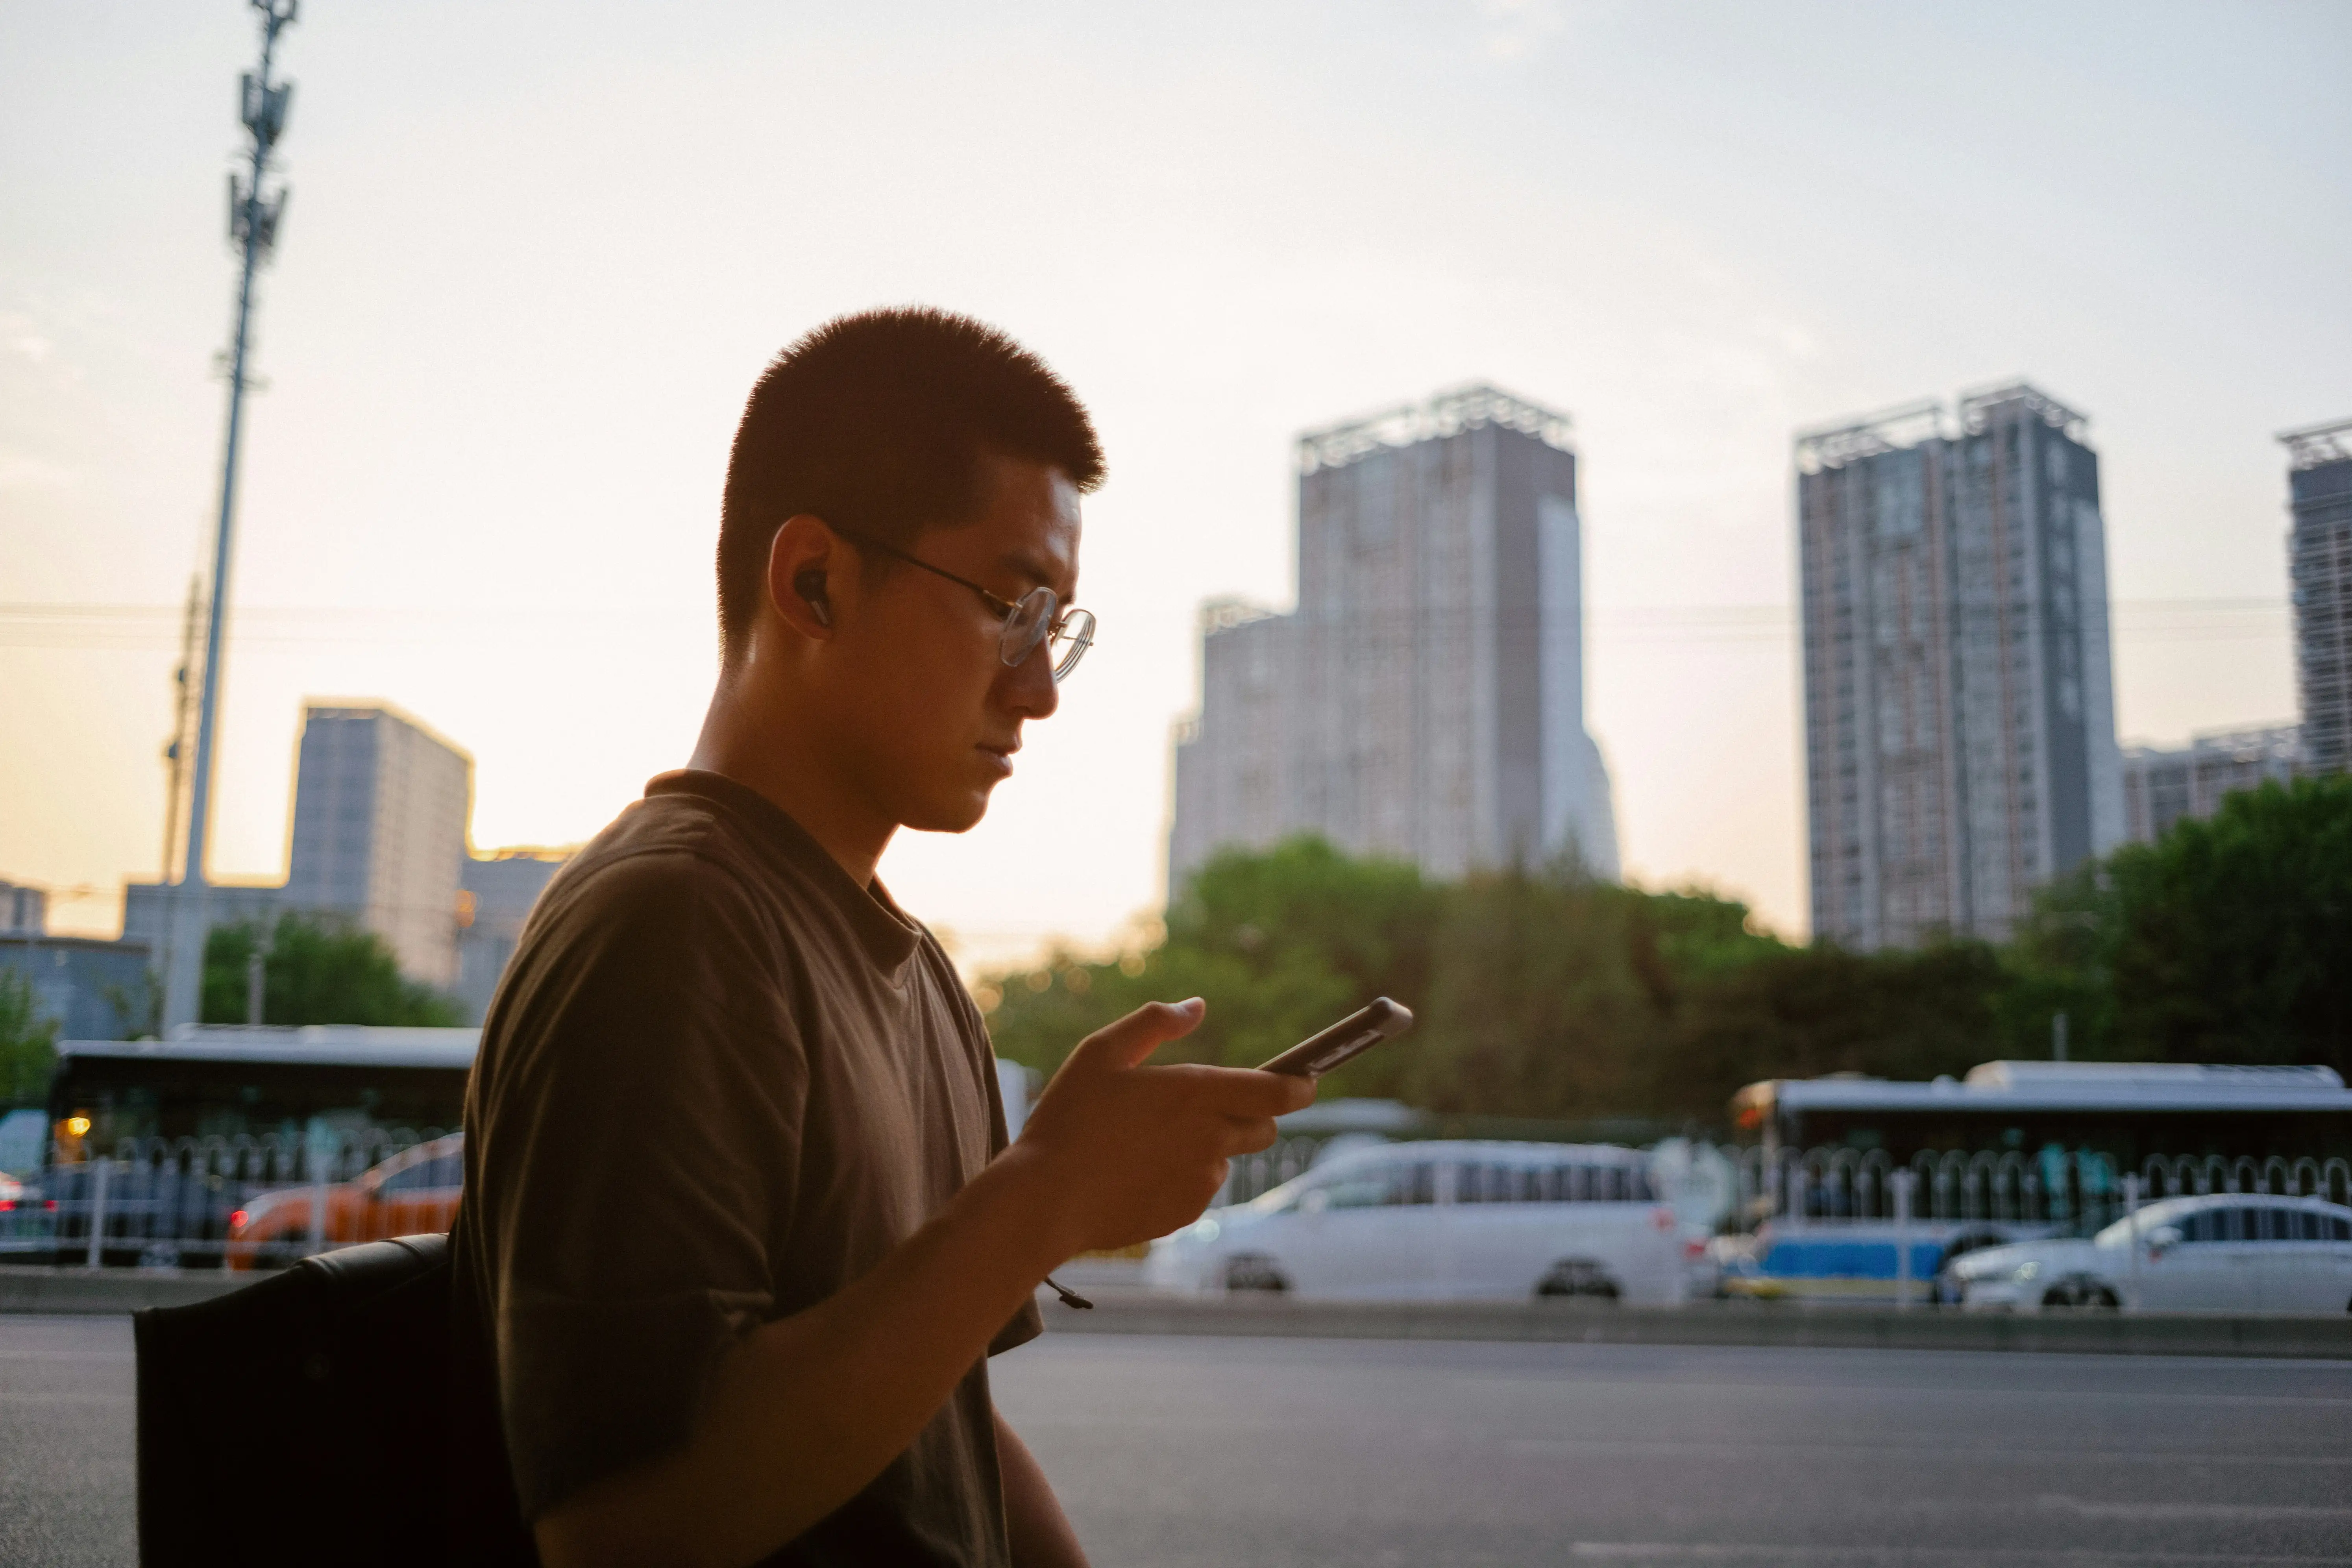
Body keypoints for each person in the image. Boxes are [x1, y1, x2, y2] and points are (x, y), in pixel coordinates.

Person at [448, 307, 1315, 1568]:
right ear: (815, 582)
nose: (1041, 689)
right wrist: (1040, 1202)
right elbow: (621, 1530)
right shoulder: (669, 929)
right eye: (1011, 606)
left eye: (1057, 626)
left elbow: (943, 1423)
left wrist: (1031, 1206)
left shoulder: (908, 972)